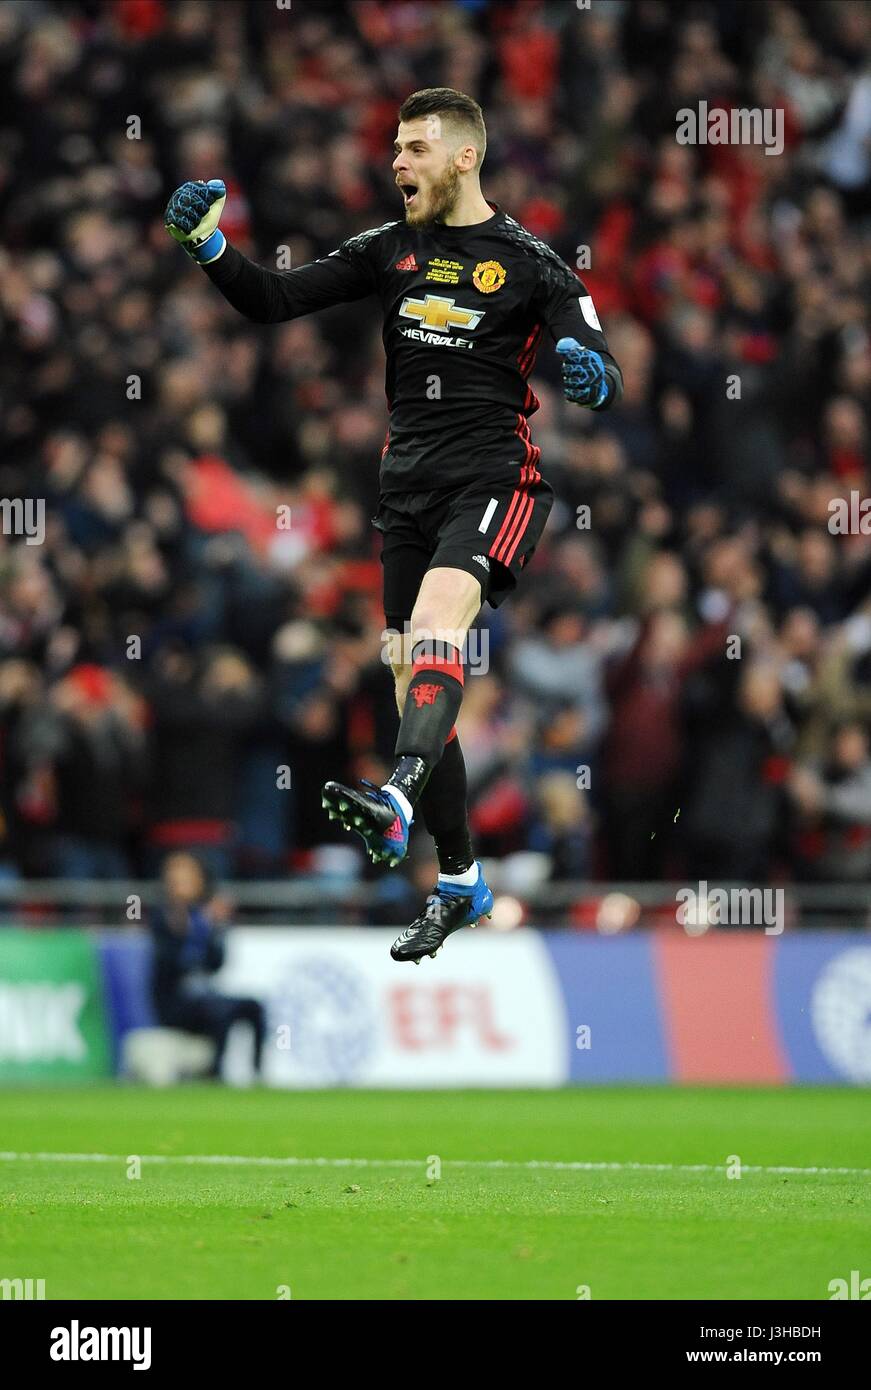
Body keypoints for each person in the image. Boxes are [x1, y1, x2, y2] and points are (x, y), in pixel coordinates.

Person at [164, 88, 623, 963]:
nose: (397, 163)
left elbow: (599, 364)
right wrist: (209, 247)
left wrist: (590, 376)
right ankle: (459, 880)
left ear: (463, 157)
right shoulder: (389, 249)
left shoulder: (530, 264)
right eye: (394, 149)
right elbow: (272, 299)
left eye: (414, 148)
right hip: (404, 496)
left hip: (494, 481)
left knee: (437, 627)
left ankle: (398, 800)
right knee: (414, 676)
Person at [149, 851, 265, 1078]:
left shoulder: (203, 916)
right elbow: (169, 963)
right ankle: (215, 1073)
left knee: (253, 1007)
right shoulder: (162, 915)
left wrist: (216, 927)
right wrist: (184, 931)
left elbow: (216, 964)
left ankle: (257, 1072)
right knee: (219, 1012)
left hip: (203, 997)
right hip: (173, 1001)